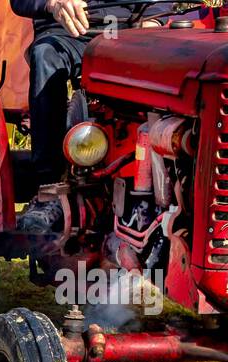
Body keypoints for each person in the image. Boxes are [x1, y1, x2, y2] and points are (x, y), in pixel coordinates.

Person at [12, 0, 174, 233]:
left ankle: (164, 186)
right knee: (45, 54)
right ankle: (49, 189)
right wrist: (53, 3)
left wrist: (155, 18)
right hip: (67, 33)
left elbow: (163, 4)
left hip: (129, 31)